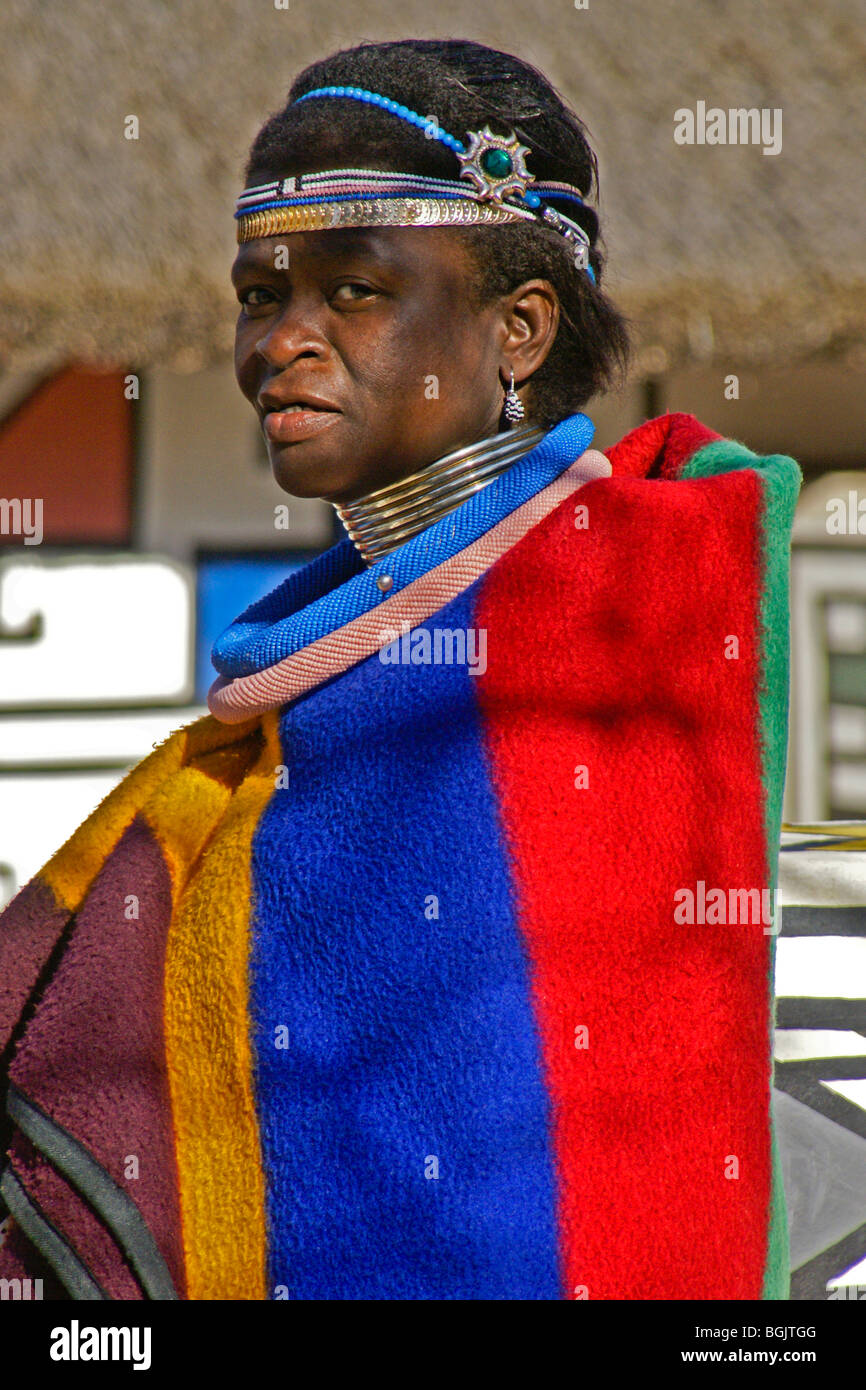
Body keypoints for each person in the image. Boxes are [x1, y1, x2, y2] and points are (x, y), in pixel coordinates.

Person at [0, 37, 800, 1301]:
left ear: (517, 333)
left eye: (354, 292)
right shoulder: (281, 712)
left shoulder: (610, 631)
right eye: (261, 294)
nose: (282, 342)